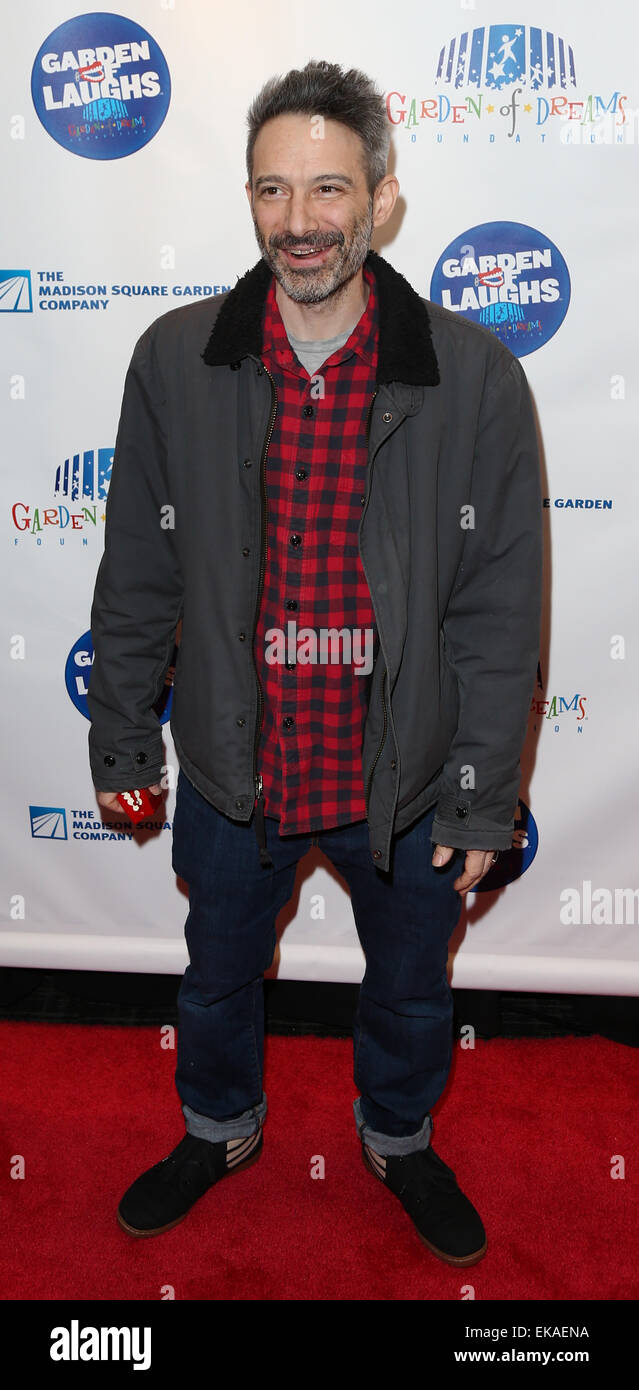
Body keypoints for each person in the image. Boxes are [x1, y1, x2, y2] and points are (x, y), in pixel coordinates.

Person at [87, 59, 542, 1266]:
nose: (299, 222)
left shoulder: (476, 375)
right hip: (242, 761)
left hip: (405, 772)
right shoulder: (177, 358)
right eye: (273, 190)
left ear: (382, 199)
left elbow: (500, 607)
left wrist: (484, 789)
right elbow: (138, 567)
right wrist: (124, 739)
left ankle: (398, 1138)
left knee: (408, 989)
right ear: (250, 199)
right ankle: (220, 1125)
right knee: (216, 974)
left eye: (329, 188)